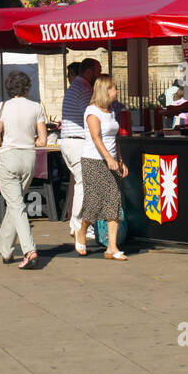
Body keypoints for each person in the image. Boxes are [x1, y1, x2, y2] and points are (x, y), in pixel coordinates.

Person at [0, 70, 48, 269]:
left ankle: (29, 250)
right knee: (15, 205)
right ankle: (5, 249)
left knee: (16, 205)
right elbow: (42, 140)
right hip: (29, 158)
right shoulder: (36, 107)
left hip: (8, 157)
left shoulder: (3, 106)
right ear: (27, 87)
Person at [76, 74, 128, 261]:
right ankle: (81, 231)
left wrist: (119, 160)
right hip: (94, 161)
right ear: (105, 90)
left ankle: (112, 247)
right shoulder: (92, 111)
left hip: (111, 160)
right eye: (114, 87)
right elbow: (96, 137)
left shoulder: (111, 110)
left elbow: (113, 139)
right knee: (99, 202)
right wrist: (108, 158)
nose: (116, 91)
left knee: (112, 201)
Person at [59, 58, 101, 243]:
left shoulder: (74, 87)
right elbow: (90, 116)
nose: (99, 75)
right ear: (90, 72)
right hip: (77, 143)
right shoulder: (84, 89)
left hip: (68, 142)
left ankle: (78, 225)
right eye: (98, 71)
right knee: (83, 186)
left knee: (82, 184)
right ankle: (78, 226)